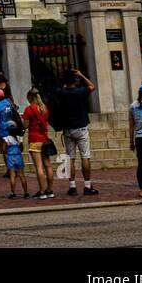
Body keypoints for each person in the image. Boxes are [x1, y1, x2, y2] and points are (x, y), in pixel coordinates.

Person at [50, 68, 99, 196]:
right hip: (81, 127)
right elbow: (92, 86)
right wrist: (81, 74)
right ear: (75, 81)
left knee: (70, 158)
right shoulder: (80, 91)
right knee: (85, 156)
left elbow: (55, 95)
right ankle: (87, 185)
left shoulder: (61, 93)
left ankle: (72, 186)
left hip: (68, 129)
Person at [23, 87, 54, 199]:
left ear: (30, 97)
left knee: (39, 167)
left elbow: (25, 126)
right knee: (48, 165)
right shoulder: (44, 108)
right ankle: (50, 190)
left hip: (35, 139)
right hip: (45, 139)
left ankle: (41, 191)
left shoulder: (29, 109)